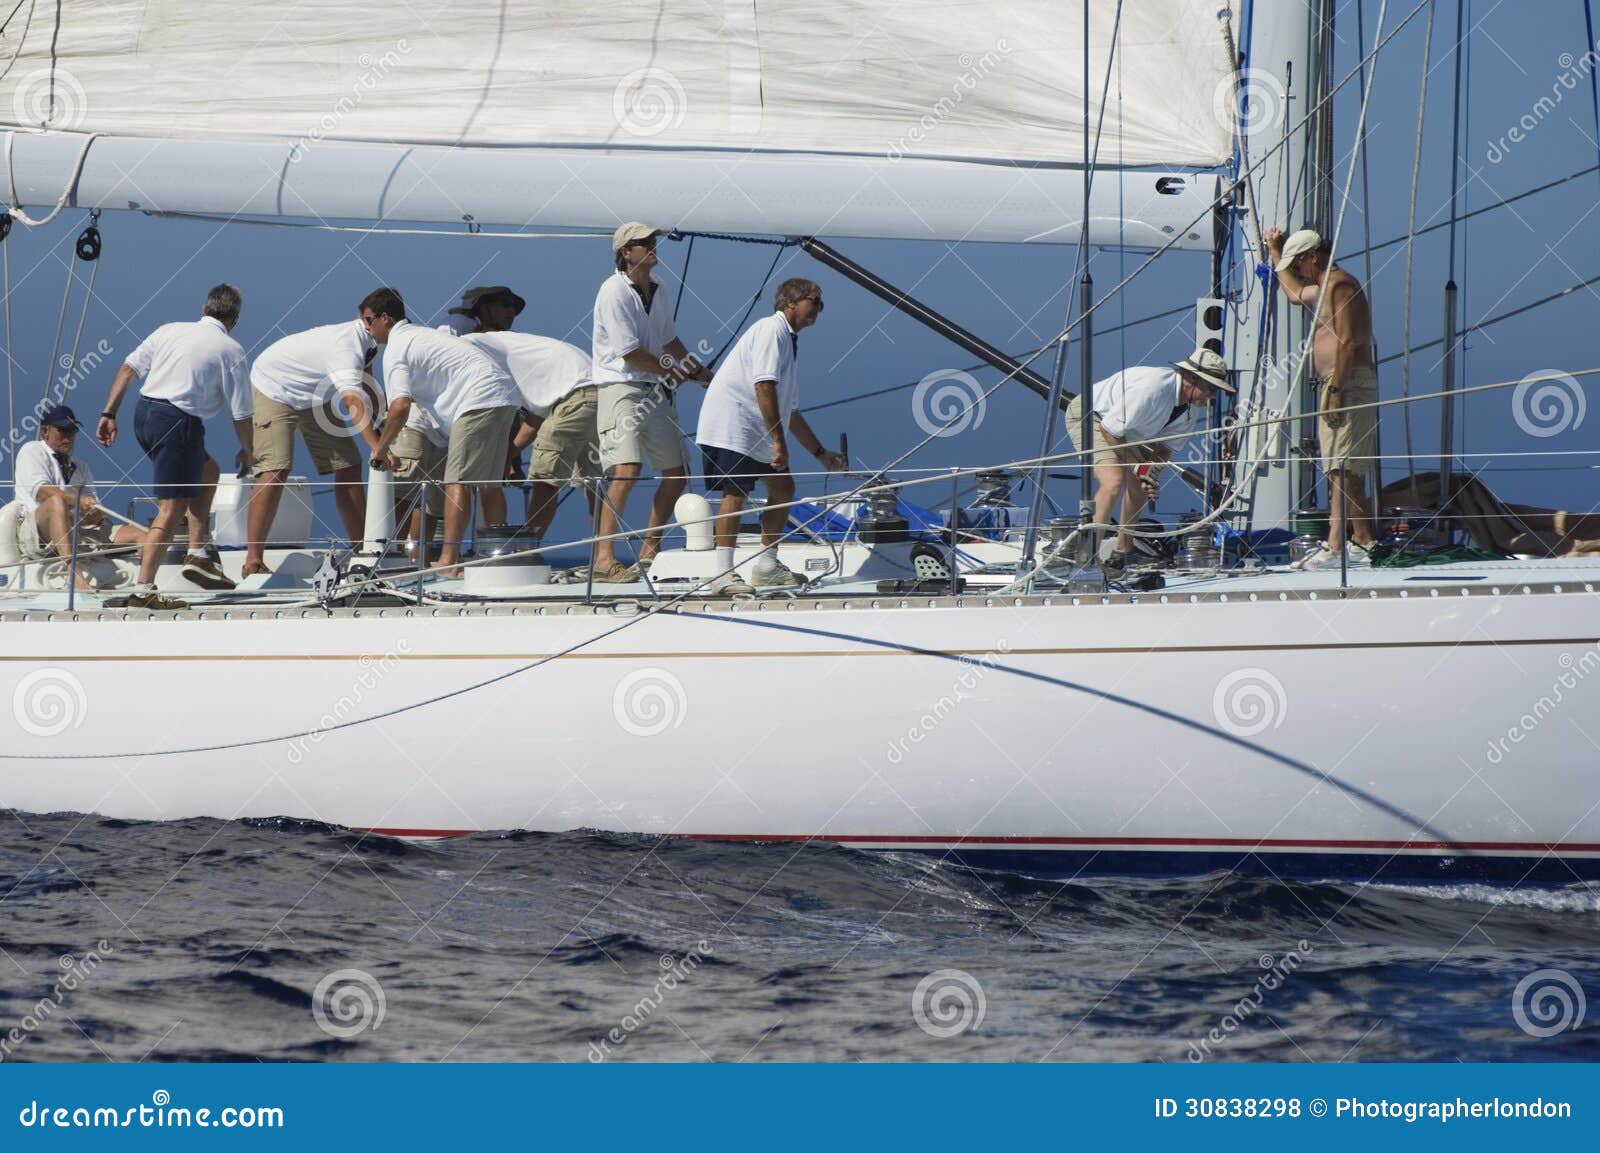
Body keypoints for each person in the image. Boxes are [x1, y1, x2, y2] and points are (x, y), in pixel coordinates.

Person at [97, 284, 253, 609]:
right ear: (234, 318)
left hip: (145, 414)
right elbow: (241, 413)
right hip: (178, 420)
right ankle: (143, 590)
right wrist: (248, 450)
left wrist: (109, 413)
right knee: (171, 508)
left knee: (207, 469)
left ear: (204, 308)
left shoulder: (169, 330)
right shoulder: (231, 349)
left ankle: (198, 552)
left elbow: (128, 369)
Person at [696, 278, 846, 592]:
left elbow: (789, 410)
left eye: (821, 304)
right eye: (814, 301)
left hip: (755, 427)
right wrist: (778, 441)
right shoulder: (771, 330)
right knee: (735, 491)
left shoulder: (788, 340)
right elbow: (763, 386)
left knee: (784, 486)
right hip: (732, 423)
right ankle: (722, 574)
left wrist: (820, 453)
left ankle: (766, 565)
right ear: (790, 302)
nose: (819, 309)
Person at [361, 288, 521, 575]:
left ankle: (450, 561)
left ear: (385, 318)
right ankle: (498, 558)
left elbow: (399, 407)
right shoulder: (422, 336)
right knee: (489, 484)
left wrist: (380, 449)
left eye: (368, 320)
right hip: (505, 397)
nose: (366, 328)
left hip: (477, 400)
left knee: (456, 481)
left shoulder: (397, 348)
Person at [590, 222, 711, 582]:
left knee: (676, 474)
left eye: (652, 241)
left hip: (654, 387)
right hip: (620, 387)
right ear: (627, 252)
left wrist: (699, 372)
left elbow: (669, 340)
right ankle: (603, 557)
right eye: (644, 242)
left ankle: (649, 552)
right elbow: (630, 354)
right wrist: (674, 372)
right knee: (626, 470)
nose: (653, 246)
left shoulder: (659, 288)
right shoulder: (612, 291)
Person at [1266, 226, 1380, 567]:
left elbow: (1349, 341)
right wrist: (1276, 251)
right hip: (1337, 383)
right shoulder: (1323, 287)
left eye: (1298, 262)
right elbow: (1292, 293)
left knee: (1341, 467)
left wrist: (1334, 390)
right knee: (1338, 466)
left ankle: (1340, 542)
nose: (1297, 269)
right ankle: (1359, 539)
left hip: (1347, 383)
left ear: (1312, 257)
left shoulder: (1340, 285)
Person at [1064, 348, 1233, 574]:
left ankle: (1123, 552)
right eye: (1211, 388)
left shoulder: (1189, 410)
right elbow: (1109, 431)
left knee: (1141, 486)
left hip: (1127, 429)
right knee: (1113, 481)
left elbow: (1165, 449)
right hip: (1093, 416)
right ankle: (1086, 556)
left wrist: (1150, 473)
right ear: (1191, 380)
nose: (1212, 396)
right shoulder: (1152, 390)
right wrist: (1138, 466)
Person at [241, 317, 382, 575]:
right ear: (378, 320)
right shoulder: (346, 347)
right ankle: (253, 560)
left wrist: (381, 420)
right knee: (275, 469)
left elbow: (366, 381)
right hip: (275, 386)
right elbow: (351, 398)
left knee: (349, 464)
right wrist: (377, 445)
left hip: (313, 394)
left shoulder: (371, 342)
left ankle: (364, 550)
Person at [459, 329, 598, 539]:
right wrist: (507, 457)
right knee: (594, 485)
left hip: (574, 396)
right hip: (597, 392)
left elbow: (504, 411)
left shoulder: (469, 348)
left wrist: (499, 460)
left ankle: (527, 551)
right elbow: (533, 422)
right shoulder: (514, 349)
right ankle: (603, 556)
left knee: (545, 480)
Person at [13, 405, 145, 590]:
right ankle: (74, 576)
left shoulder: (81, 467)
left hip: (78, 529)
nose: (69, 436)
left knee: (143, 535)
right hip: (37, 530)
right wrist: (79, 501)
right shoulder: (32, 450)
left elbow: (92, 508)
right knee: (56, 503)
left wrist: (94, 513)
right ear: (45, 431)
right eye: (62, 430)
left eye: (73, 430)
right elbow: (42, 492)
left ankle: (144, 588)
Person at [445, 285, 528, 527]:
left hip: (487, 414)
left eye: (513, 307)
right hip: (465, 412)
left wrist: (512, 459)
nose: (511, 311)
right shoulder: (461, 329)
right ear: (484, 308)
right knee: (459, 483)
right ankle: (443, 554)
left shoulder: (503, 343)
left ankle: (489, 549)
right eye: (505, 304)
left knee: (474, 484)